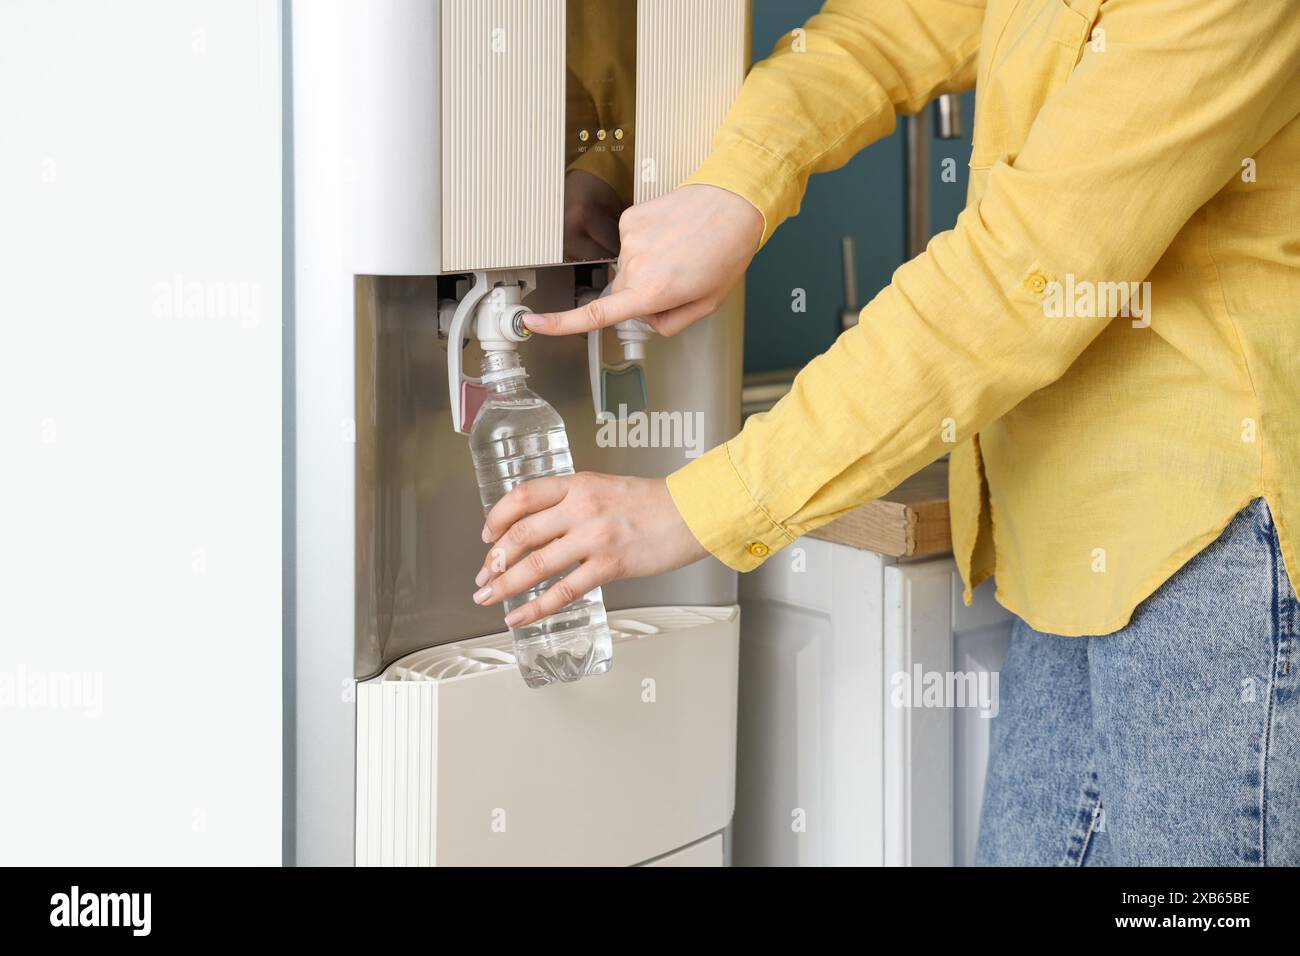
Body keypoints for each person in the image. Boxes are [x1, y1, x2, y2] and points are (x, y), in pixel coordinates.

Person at [469, 0, 1300, 865]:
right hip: (1070, 536)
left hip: (1215, 555)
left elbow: (1020, 279)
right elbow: (891, 23)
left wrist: (697, 508)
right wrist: (739, 184)